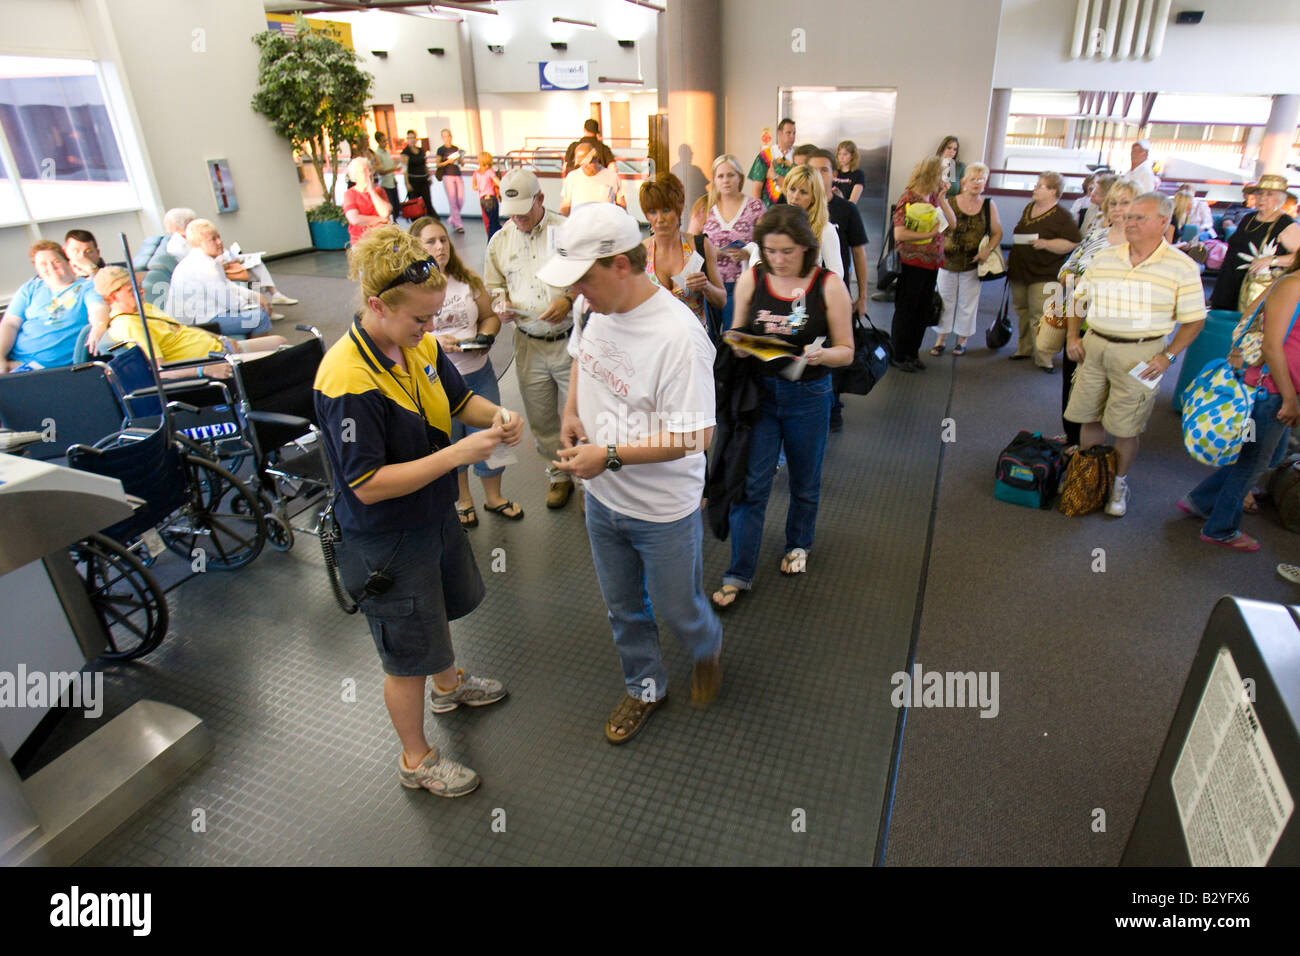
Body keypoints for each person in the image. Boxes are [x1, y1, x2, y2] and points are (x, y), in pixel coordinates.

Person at [312, 225, 523, 797]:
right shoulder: (347, 379)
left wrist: (495, 418)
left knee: (434, 612)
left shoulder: (419, 347)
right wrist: (457, 453)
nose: (429, 331)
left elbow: (459, 401)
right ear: (377, 305)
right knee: (404, 649)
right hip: (384, 535)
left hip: (431, 516)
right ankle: (416, 760)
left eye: (432, 320)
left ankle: (449, 685)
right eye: (418, 321)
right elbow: (369, 484)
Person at [538, 202, 722, 743]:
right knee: (623, 607)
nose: (576, 293)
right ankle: (645, 686)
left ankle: (706, 642)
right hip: (602, 499)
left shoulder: (678, 338)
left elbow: (696, 436)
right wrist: (573, 411)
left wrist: (610, 454)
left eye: (583, 280)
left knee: (676, 606)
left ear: (622, 264)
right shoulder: (596, 308)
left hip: (662, 510)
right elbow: (581, 356)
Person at [712, 203, 854, 608]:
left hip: (808, 395)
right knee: (751, 486)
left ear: (806, 247)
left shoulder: (828, 285)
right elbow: (734, 333)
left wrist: (820, 357)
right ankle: (738, 572)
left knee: (805, 481)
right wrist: (741, 346)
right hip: (760, 396)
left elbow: (846, 351)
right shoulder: (751, 280)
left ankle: (799, 545)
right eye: (770, 251)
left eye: (787, 251)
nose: (778, 259)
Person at [1064, 192, 1206, 517]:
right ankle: (1090, 477)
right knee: (1090, 416)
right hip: (1095, 345)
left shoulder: (1181, 267)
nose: (1130, 222)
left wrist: (1168, 356)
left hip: (1143, 352)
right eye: (1128, 217)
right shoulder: (1105, 258)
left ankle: (1118, 483)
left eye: (1140, 217)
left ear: (1163, 222)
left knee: (1126, 427)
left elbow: (1195, 319)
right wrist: (1074, 335)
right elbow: (1078, 299)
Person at [1180, 262, 1300, 550]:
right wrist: (1289, 397)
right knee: (1253, 462)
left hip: (1278, 392)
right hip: (1269, 392)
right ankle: (1220, 528)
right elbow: (1272, 345)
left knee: (1268, 456)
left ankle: (1200, 500)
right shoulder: (1292, 285)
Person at [411, 215, 522, 527]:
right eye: (430, 242)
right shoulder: (412, 289)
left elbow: (489, 316)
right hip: (438, 381)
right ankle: (463, 500)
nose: (439, 247)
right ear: (415, 248)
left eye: (443, 240)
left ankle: (494, 497)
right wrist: (433, 340)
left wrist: (486, 336)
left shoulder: (468, 281)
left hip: (479, 374)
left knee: (495, 436)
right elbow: (405, 333)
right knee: (451, 442)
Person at [483, 168, 579, 510]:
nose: (518, 219)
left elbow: (588, 279)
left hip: (569, 340)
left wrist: (568, 300)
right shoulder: (500, 241)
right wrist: (500, 304)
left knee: (579, 413)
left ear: (540, 199)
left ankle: (585, 481)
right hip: (527, 342)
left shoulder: (566, 231)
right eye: (512, 214)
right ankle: (558, 475)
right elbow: (494, 286)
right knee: (541, 417)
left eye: (524, 211)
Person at [1051, 178, 1137, 446]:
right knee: (1072, 384)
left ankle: (1090, 449)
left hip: (1114, 330)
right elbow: (1069, 265)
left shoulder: (1141, 247)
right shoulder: (1096, 235)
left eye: (1125, 203)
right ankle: (1072, 438)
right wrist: (1068, 276)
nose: (1118, 209)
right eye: (1113, 203)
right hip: (1079, 319)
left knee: (1102, 393)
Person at [93, 266, 287, 378]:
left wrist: (221, 338)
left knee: (281, 342)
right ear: (111, 297)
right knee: (286, 359)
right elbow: (160, 371)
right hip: (209, 361)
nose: (141, 291)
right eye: (131, 290)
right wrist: (205, 369)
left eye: (139, 286)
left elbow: (182, 329)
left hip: (217, 348)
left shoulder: (143, 308)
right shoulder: (129, 325)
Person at [808, 148, 868, 430]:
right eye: (813, 169)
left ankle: (834, 408)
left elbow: (858, 254)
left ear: (834, 175)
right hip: (802, 305)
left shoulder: (846, 211)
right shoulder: (794, 212)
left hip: (834, 299)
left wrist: (862, 295)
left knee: (835, 352)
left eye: (824, 169)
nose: (819, 175)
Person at [1006, 170, 1081, 370]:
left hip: (1044, 272)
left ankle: (1044, 355)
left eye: (1040, 186)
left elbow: (1073, 242)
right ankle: (1024, 348)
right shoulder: (1030, 207)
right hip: (1020, 269)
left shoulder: (1062, 216)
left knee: (1041, 314)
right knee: (1021, 311)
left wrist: (1046, 243)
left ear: (1053, 191)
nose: (1035, 188)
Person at [890, 156, 955, 372]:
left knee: (922, 310)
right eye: (941, 174)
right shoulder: (909, 197)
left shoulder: (934, 197)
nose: (944, 178)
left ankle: (912, 352)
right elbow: (899, 233)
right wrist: (929, 234)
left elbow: (951, 223)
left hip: (932, 264)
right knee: (907, 309)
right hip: (912, 263)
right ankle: (899, 354)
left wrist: (944, 198)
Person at [0, 240, 107, 372]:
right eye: (43, 264)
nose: (50, 267)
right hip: (13, 360)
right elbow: (10, 323)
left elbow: (98, 308)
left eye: (55, 261)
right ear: (37, 269)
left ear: (67, 261)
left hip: (46, 369)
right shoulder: (30, 288)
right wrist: (1, 358)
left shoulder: (87, 286)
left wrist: (98, 326)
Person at [687, 154, 764, 338]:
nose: (726, 180)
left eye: (731, 175)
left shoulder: (755, 207)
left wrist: (749, 252)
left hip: (741, 283)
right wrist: (712, 253)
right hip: (710, 283)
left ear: (740, 177)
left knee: (734, 337)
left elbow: (767, 242)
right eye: (720, 176)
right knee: (707, 337)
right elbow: (689, 245)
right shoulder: (704, 206)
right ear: (714, 179)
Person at [931, 163, 1001, 358]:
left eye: (981, 179)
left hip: (973, 264)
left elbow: (997, 233)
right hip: (947, 262)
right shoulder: (951, 202)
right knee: (945, 300)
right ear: (963, 182)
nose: (977, 183)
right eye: (973, 179)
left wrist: (987, 250)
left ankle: (962, 341)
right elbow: (937, 228)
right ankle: (941, 340)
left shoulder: (988, 205)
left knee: (968, 303)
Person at [161, 207, 297, 307]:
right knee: (251, 276)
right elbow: (223, 292)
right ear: (185, 224)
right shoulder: (183, 246)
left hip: (220, 265)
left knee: (256, 265)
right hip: (213, 280)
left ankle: (273, 296)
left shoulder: (195, 241)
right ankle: (263, 304)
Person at [640, 173, 726, 328]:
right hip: (657, 341)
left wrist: (705, 286)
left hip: (694, 342)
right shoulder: (641, 252)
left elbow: (722, 300)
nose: (660, 219)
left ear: (679, 208)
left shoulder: (699, 246)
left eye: (666, 210)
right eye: (653, 212)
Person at [1208, 173, 1299, 314]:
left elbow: (1298, 258)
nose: (1263, 197)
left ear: (1280, 199)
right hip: (1228, 284)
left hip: (1254, 290)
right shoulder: (1248, 218)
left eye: (1269, 194)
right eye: (1260, 193)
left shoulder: (1285, 224)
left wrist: (1272, 260)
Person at [165, 219, 274, 337]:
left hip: (202, 317)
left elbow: (227, 285)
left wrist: (254, 295)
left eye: (219, 237)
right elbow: (232, 303)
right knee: (260, 318)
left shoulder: (203, 260)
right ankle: (258, 355)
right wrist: (254, 303)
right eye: (213, 239)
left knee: (257, 311)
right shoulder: (204, 267)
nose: (219, 242)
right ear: (198, 243)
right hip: (198, 325)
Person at [779, 164, 843, 278]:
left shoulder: (825, 229)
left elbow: (836, 275)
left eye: (803, 192)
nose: (795, 196)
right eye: (792, 189)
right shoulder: (777, 222)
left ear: (814, 197)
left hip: (809, 293)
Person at [559, 141, 625, 215]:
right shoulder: (572, 177)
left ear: (596, 158)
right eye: (582, 164)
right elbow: (565, 206)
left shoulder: (613, 177)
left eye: (589, 163)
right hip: (579, 224)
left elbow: (621, 206)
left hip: (605, 224)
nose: (585, 167)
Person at [341, 157, 392, 246]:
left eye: (370, 170)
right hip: (361, 241)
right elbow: (355, 219)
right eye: (364, 171)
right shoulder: (350, 194)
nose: (369, 173)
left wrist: (371, 191)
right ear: (355, 175)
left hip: (383, 239)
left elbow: (385, 213)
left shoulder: (379, 191)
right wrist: (380, 220)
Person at [748, 118, 795, 208]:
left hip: (790, 208)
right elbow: (756, 189)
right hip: (768, 209)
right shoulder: (766, 155)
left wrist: (775, 176)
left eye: (794, 133)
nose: (792, 136)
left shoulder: (797, 157)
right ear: (779, 133)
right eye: (788, 133)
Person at [434, 129, 466, 234]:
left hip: (457, 174)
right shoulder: (440, 150)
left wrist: (460, 159)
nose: (447, 138)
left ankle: (453, 218)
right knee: (452, 201)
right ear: (442, 138)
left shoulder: (455, 148)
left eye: (448, 136)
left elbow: (461, 163)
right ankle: (458, 224)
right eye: (444, 136)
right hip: (447, 175)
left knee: (460, 200)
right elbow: (438, 164)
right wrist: (448, 161)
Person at [400, 130, 434, 221]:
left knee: (428, 202)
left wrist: (429, 176)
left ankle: (430, 222)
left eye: (413, 138)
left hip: (423, 180)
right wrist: (406, 183)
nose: (412, 140)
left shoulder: (421, 150)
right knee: (415, 205)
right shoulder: (405, 152)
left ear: (416, 139)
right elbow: (404, 169)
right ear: (407, 139)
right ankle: (416, 225)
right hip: (413, 181)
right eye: (410, 138)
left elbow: (424, 164)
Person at [472, 152, 502, 240]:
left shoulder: (476, 173)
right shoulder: (489, 172)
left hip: (482, 200)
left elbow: (474, 187)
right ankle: (491, 244)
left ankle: (496, 242)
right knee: (494, 223)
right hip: (491, 199)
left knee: (490, 223)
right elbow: (498, 183)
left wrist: (481, 186)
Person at [372, 131, 401, 216]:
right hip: (385, 184)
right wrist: (393, 169)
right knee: (390, 208)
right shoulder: (377, 154)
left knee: (396, 207)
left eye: (386, 141)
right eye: (383, 141)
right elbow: (380, 171)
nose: (385, 143)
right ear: (378, 141)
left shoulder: (387, 152)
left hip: (392, 182)